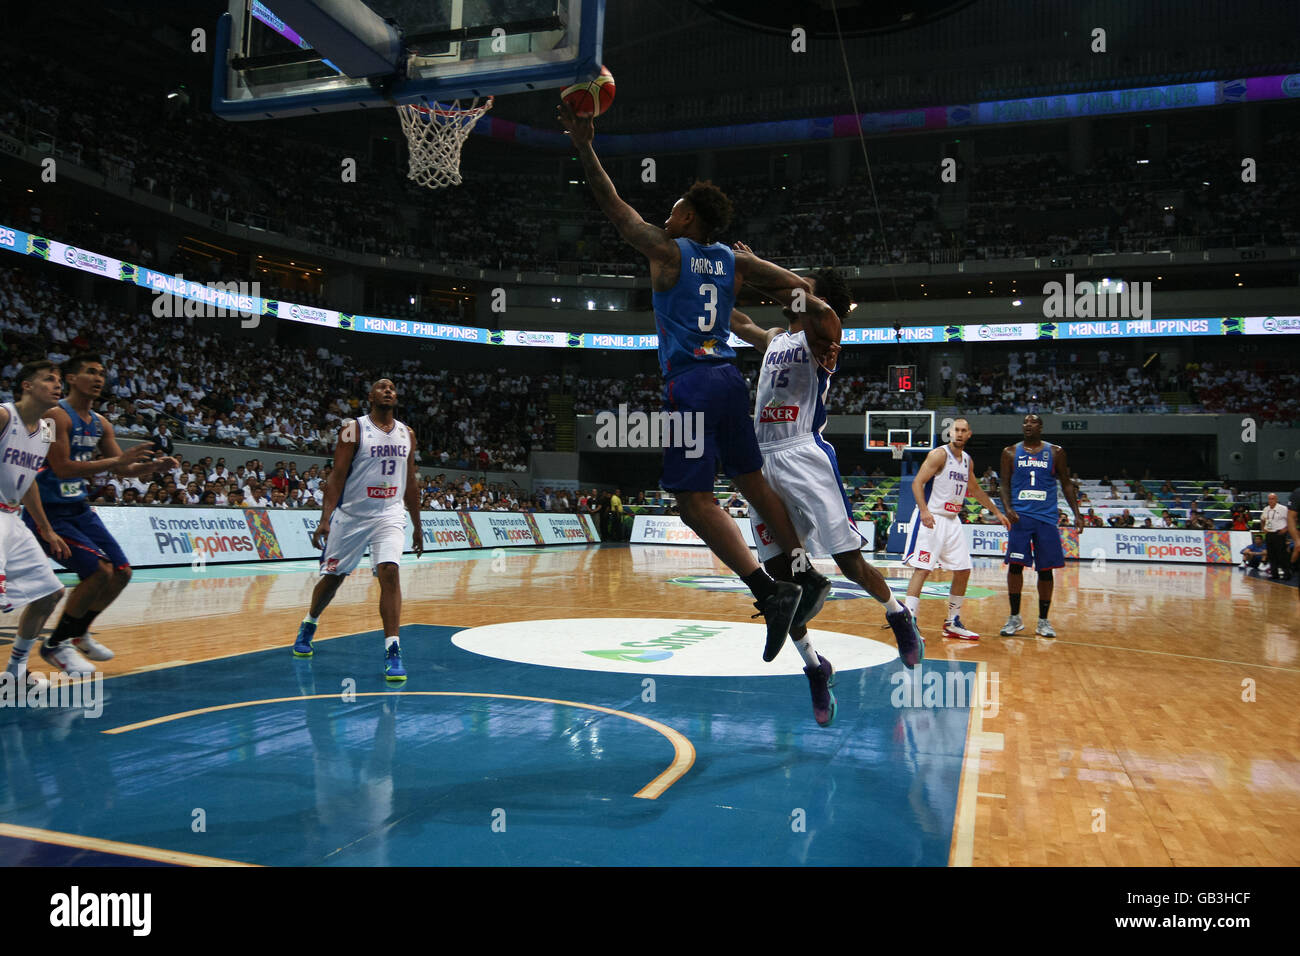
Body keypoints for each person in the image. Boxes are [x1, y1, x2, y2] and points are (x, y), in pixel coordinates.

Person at [559, 101, 831, 662]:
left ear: (689, 221)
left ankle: (769, 590)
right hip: (731, 379)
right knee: (755, 486)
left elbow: (614, 208)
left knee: (691, 501)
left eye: (677, 208)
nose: (668, 213)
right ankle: (805, 574)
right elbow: (799, 286)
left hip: (690, 384)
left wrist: (585, 143)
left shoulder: (667, 252)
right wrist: (810, 302)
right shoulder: (731, 262)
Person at [729, 265, 923, 725]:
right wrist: (715, 277)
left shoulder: (825, 328)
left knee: (849, 562)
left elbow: (796, 293)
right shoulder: (778, 335)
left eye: (804, 284)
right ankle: (815, 667)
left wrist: (750, 262)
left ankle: (898, 615)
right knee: (784, 584)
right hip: (763, 461)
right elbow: (736, 322)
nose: (793, 287)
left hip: (802, 453)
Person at [24, 354, 176, 674]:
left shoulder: (100, 422)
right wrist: (116, 464)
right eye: (90, 372)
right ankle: (55, 645)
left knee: (122, 571)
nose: (98, 379)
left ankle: (78, 634)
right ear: (71, 379)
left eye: (102, 374)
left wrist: (152, 467)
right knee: (98, 573)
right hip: (49, 512)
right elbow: (63, 468)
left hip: (80, 510)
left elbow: (124, 469)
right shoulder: (55, 416)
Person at [293, 379, 424, 680]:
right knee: (333, 578)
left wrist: (417, 524)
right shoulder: (353, 428)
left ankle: (393, 650)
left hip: (389, 513)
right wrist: (325, 518)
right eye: (381, 387)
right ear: (370, 396)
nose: (388, 390)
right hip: (352, 514)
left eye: (392, 388)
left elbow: (412, 482)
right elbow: (337, 476)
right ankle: (310, 622)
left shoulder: (408, 433)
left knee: (389, 571)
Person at [901, 418, 1009, 641]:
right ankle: (909, 623)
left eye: (963, 431)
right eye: (956, 430)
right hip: (932, 518)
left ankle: (952, 622)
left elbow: (976, 490)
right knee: (922, 569)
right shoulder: (939, 455)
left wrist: (997, 512)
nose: (959, 434)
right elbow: (917, 483)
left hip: (952, 520)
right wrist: (924, 511)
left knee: (963, 569)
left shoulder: (967, 460)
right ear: (950, 433)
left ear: (969, 434)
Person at [1, 361, 72, 691]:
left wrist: (45, 528)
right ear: (26, 386)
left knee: (50, 593)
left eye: (59, 381)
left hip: (12, 518)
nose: (57, 385)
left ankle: (15, 671)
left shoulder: (46, 429)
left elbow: (28, 480)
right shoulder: (3, 416)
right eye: (49, 379)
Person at [998, 414, 1082, 638]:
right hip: (1020, 518)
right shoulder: (1010, 452)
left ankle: (1044, 621)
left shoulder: (1055, 452)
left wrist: (1077, 513)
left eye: (1033, 422)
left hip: (1046, 519)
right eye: (1025, 422)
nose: (1028, 425)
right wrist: (1007, 508)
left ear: (1041, 427)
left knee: (1046, 569)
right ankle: (1014, 618)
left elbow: (1066, 483)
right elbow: (1003, 485)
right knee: (1015, 566)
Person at [1259, 493, 1289, 582]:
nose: (1271, 500)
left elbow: (1290, 519)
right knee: (1271, 555)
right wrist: (1263, 528)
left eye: (1272, 499)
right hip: (1269, 534)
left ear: (1276, 499)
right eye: (1269, 499)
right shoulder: (1266, 509)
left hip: (1279, 534)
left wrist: (1286, 528)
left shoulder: (1283, 508)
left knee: (1281, 555)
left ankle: (1287, 574)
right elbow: (1262, 519)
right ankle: (1274, 573)